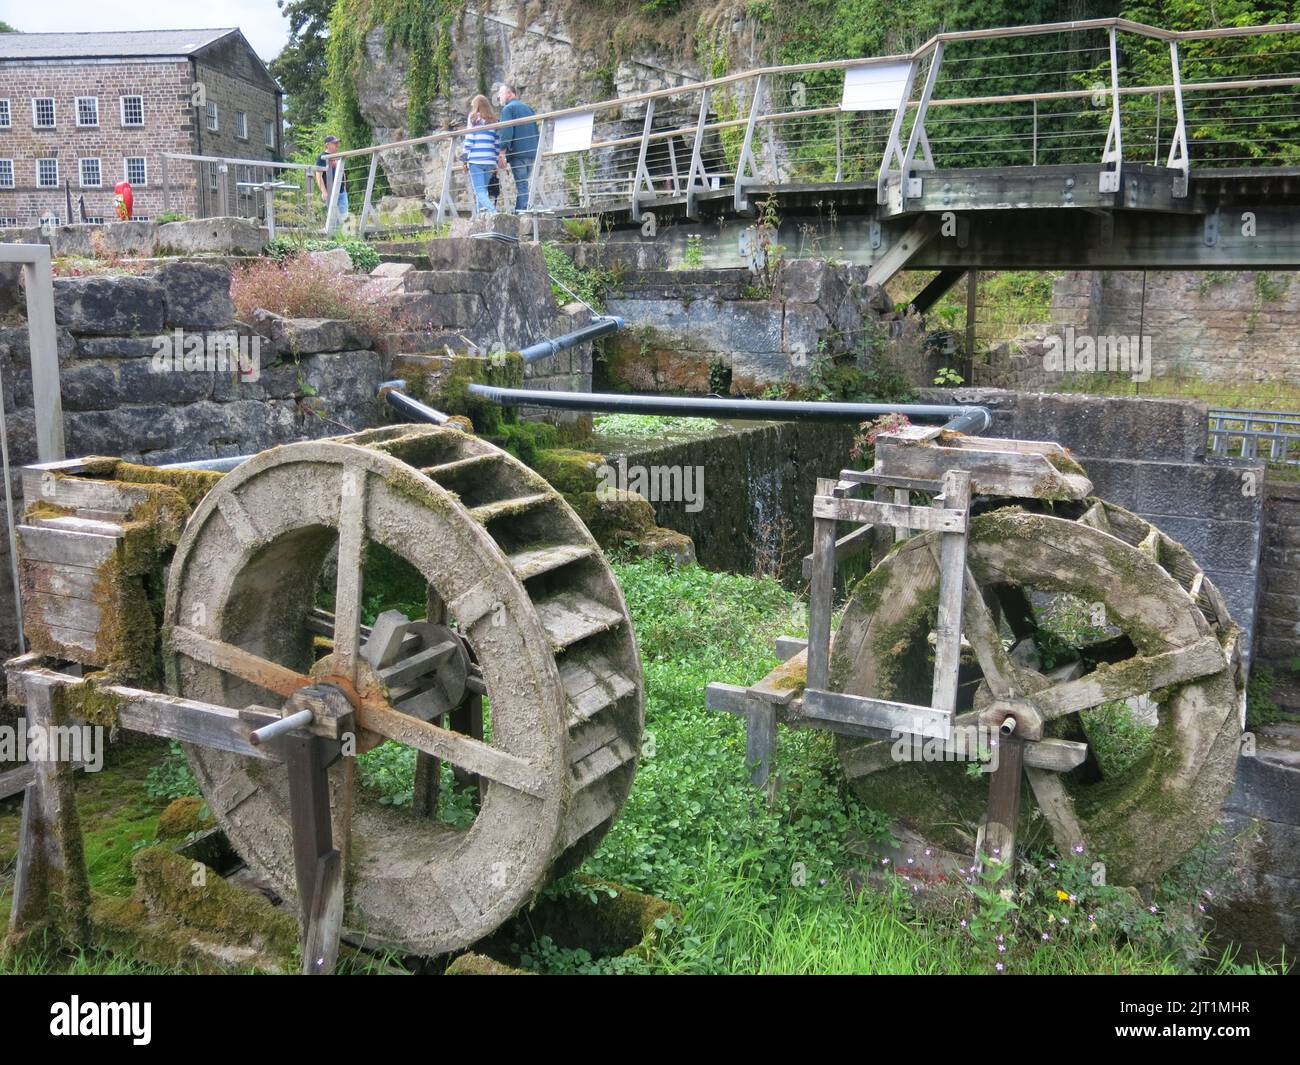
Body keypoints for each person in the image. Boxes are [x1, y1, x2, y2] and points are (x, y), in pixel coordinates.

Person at [496, 83, 539, 212]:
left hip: (518, 153)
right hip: (531, 152)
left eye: (501, 94)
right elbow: (536, 130)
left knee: (522, 184)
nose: (499, 97)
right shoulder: (528, 108)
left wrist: (502, 151)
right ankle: (519, 211)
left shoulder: (508, 109)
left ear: (510, 93)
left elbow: (507, 132)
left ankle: (523, 212)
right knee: (524, 184)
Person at [463, 95, 499, 216]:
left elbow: (469, 139)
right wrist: (496, 159)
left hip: (476, 159)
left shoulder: (474, 118)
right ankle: (480, 218)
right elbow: (497, 142)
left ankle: (494, 213)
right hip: (490, 161)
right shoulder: (494, 120)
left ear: (476, 106)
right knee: (483, 191)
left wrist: (464, 159)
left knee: (479, 191)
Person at [315, 134, 348, 218]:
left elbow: (342, 172)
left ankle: (343, 231)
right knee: (333, 218)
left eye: (337, 143)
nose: (337, 145)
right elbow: (318, 175)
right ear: (327, 145)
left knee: (344, 217)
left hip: (341, 192)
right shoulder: (322, 157)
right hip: (330, 192)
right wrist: (324, 191)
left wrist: (344, 188)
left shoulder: (337, 156)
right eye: (334, 143)